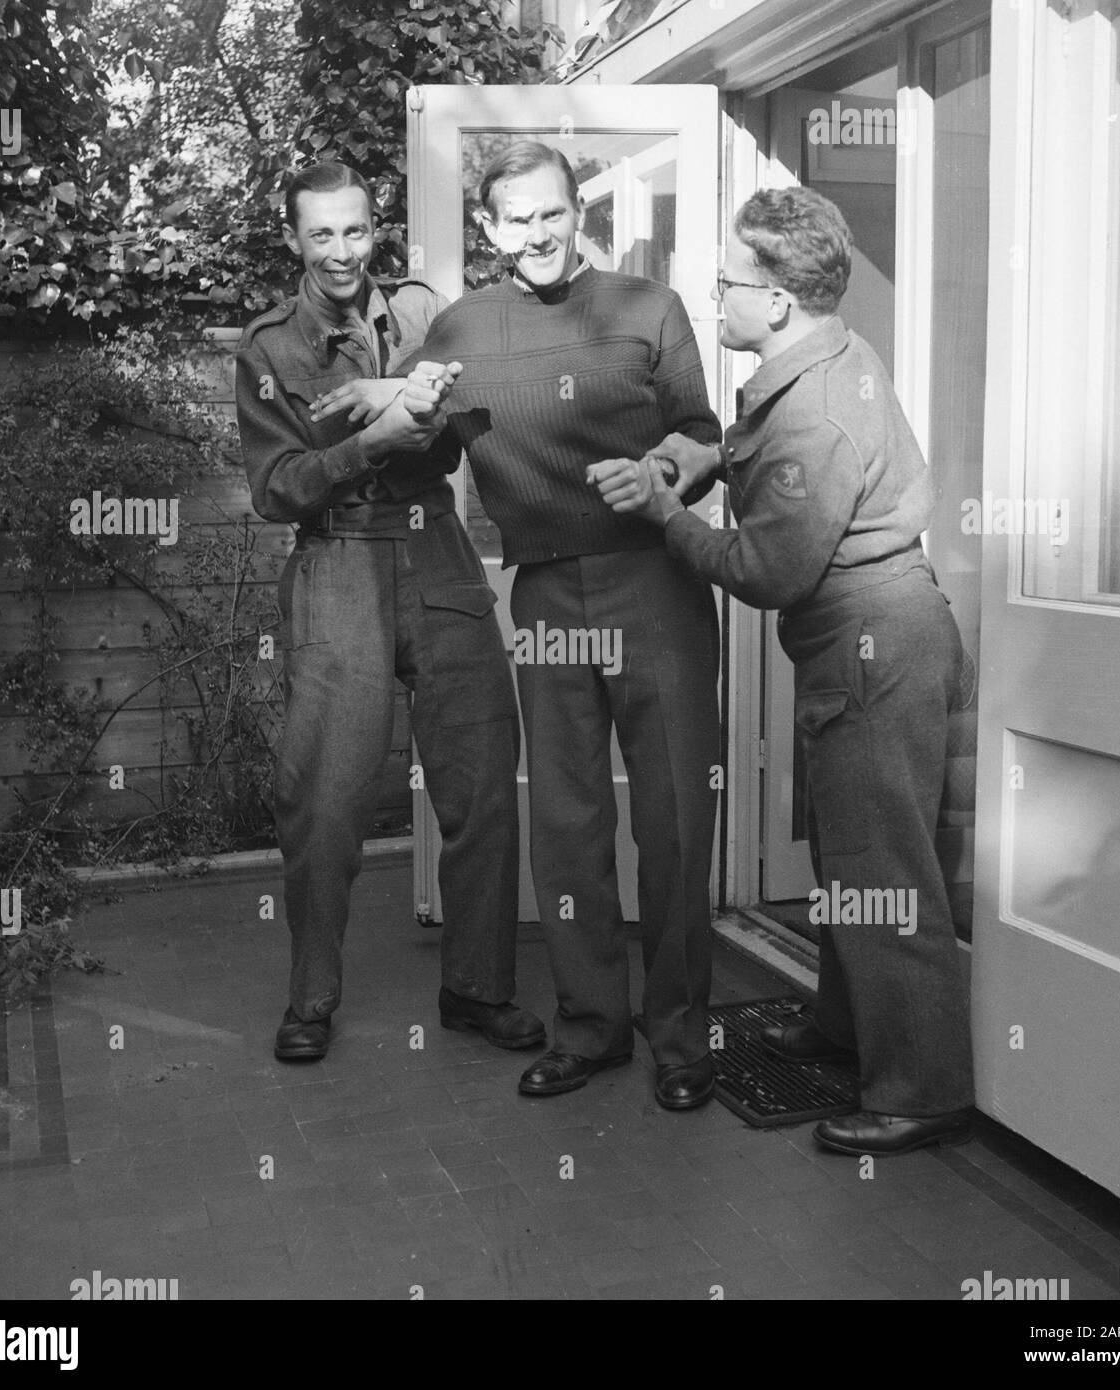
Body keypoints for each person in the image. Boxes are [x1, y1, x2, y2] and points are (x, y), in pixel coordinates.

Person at [592, 185, 974, 1154]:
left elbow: (765, 572)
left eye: (727, 281)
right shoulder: (824, 357)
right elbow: (759, 448)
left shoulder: (814, 417)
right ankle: (847, 1030)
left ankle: (920, 1090)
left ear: (777, 300)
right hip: (879, 635)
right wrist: (704, 464)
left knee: (884, 872)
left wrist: (665, 515)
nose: (715, 296)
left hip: (868, 644)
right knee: (854, 857)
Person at [373, 142, 722, 1108]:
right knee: (568, 819)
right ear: (488, 228)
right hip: (544, 594)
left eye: (551, 214)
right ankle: (593, 1026)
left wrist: (663, 473)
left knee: (675, 817)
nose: (535, 233)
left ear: (580, 214)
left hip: (655, 582)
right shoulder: (460, 327)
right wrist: (402, 413)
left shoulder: (648, 308)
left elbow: (705, 433)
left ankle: (683, 1036)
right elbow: (407, 456)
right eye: (514, 218)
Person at [234, 161, 543, 1062]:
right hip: (337, 558)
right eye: (320, 234)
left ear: (378, 232)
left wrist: (430, 406)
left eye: (356, 232)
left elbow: (478, 422)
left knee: (483, 781)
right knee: (325, 799)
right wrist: (368, 443)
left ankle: (478, 989)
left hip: (438, 550)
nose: (340, 252)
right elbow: (275, 489)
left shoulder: (424, 313)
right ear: (294, 239)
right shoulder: (269, 348)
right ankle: (311, 998)